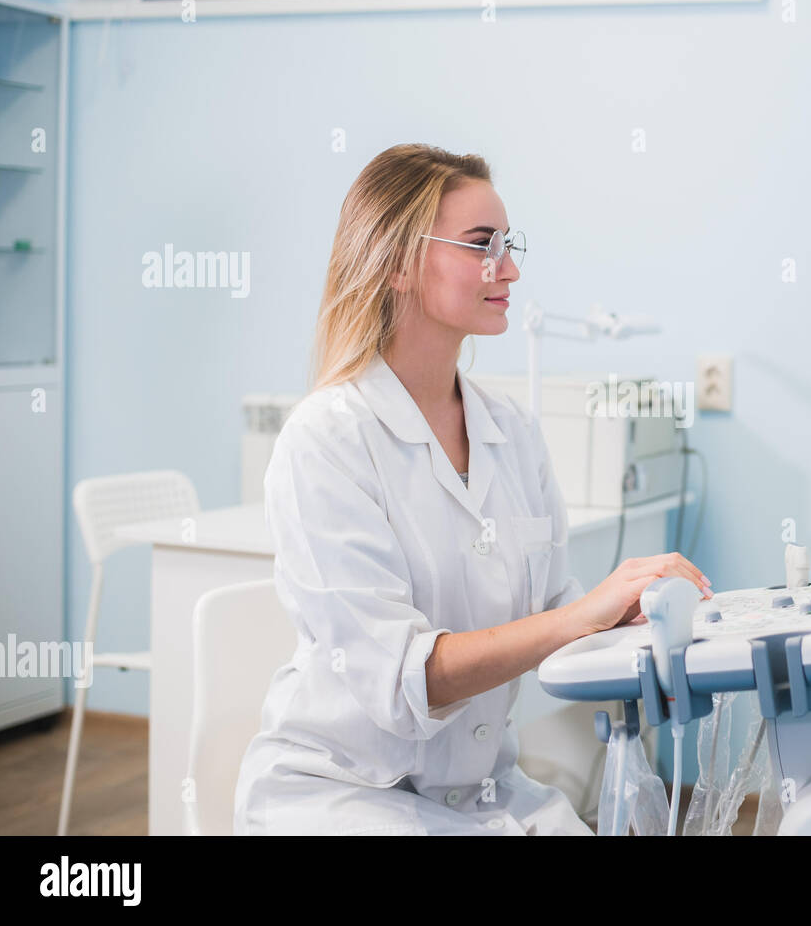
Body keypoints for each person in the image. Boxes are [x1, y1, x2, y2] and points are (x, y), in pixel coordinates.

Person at [233, 143, 711, 835]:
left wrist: (643, 621)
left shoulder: (510, 432)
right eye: (482, 245)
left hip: (481, 791)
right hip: (342, 797)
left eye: (509, 245)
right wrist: (583, 615)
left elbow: (553, 609)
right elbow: (407, 682)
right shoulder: (327, 441)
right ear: (396, 261)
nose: (510, 269)